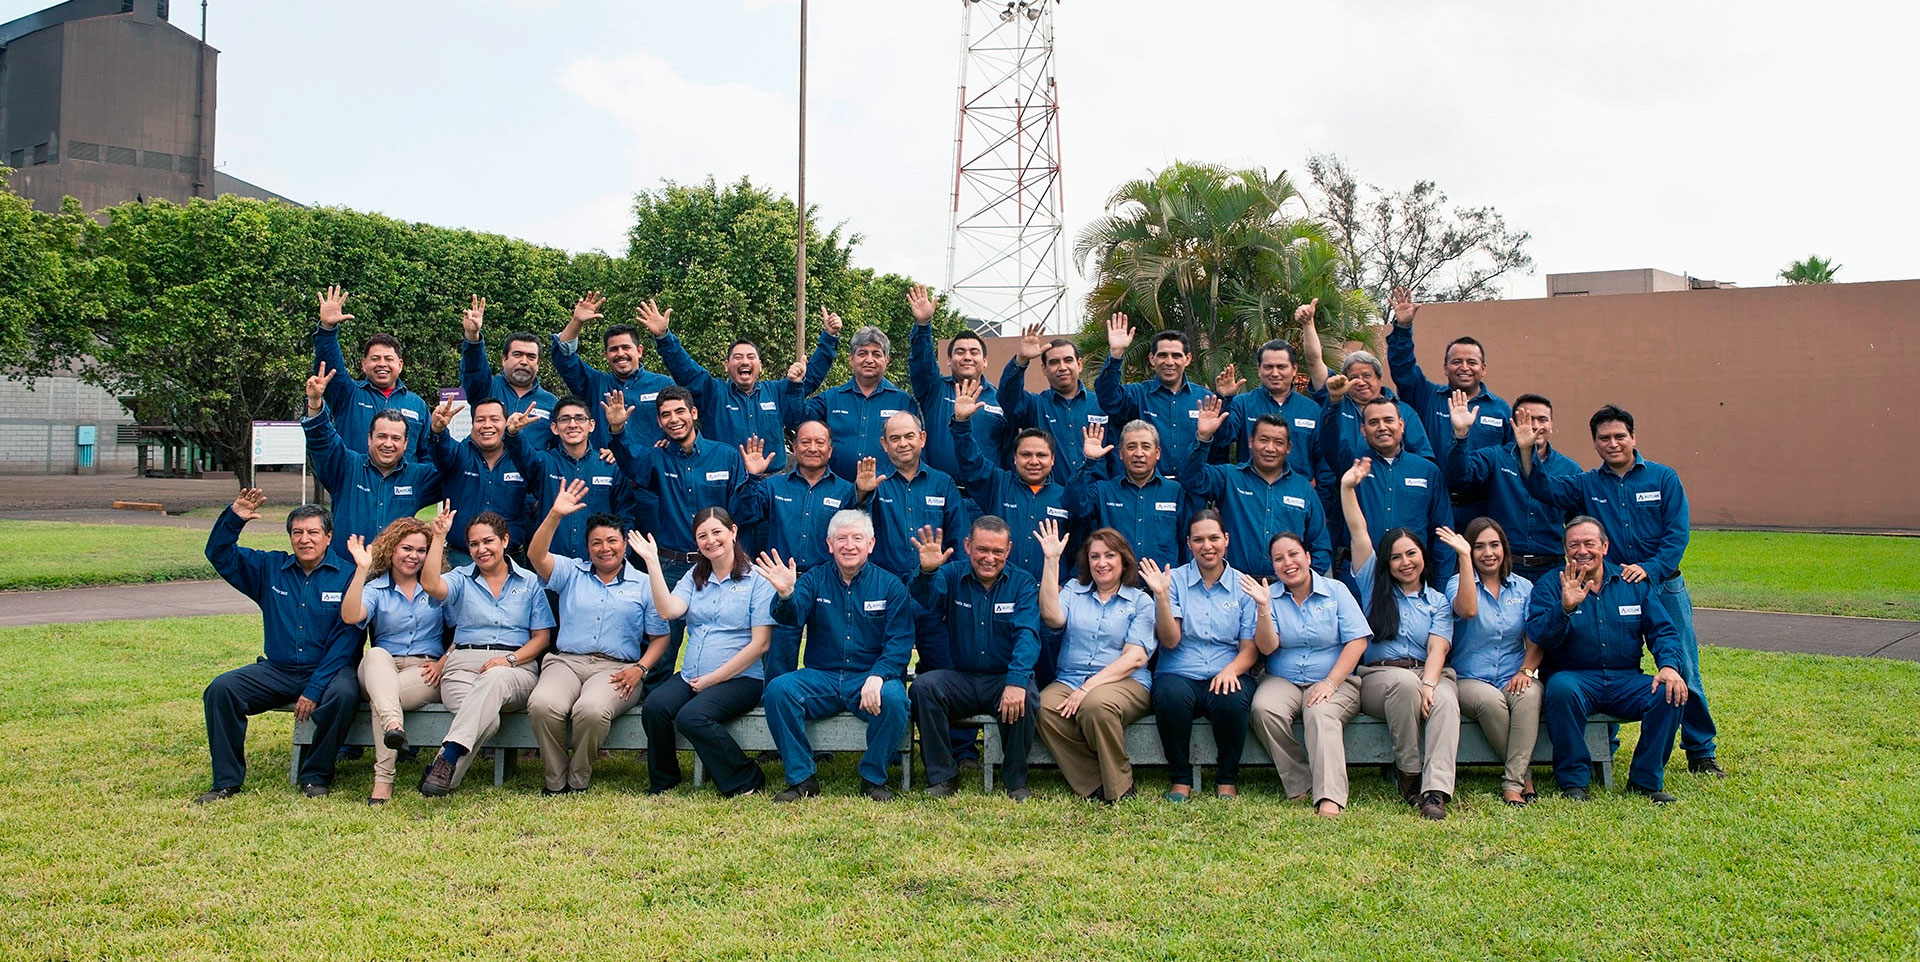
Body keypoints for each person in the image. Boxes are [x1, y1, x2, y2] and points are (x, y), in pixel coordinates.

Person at [1520, 404, 1725, 777]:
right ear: (1595, 444)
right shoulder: (1587, 484)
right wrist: (1528, 450)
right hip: (1608, 585)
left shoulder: (1663, 478)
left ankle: (1700, 750)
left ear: (1633, 437)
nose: (1613, 443)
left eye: (1619, 436)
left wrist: (1649, 569)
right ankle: (1607, 748)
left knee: (1681, 670)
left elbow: (1676, 535)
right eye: (1604, 438)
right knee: (1608, 660)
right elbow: (1543, 487)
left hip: (1660, 585)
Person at [196, 490, 361, 803]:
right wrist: (234, 518)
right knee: (221, 690)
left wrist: (314, 689)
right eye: (297, 533)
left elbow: (347, 640)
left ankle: (315, 776)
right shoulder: (268, 569)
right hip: (278, 669)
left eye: (313, 532)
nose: (305, 539)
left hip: (328, 671)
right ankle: (226, 782)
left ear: (328, 537)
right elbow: (218, 553)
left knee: (345, 694)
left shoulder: (348, 577)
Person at [753, 510, 916, 802]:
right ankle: (802, 779)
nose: (849, 545)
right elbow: (791, 617)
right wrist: (787, 594)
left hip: (868, 675)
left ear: (871, 544)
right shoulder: (814, 580)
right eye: (841, 538)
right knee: (779, 690)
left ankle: (872, 778)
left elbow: (900, 643)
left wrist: (879, 675)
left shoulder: (891, 586)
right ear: (829, 544)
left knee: (894, 699)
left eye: (857, 538)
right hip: (822, 677)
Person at [1525, 517, 1690, 804]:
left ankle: (1645, 780)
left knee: (1669, 692)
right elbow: (1538, 634)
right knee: (1561, 689)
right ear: (1565, 550)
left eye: (1589, 543)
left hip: (1624, 678)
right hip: (1574, 677)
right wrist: (1564, 608)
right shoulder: (1550, 585)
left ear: (1605, 546)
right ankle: (1574, 782)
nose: (1582, 550)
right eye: (1574, 544)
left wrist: (1668, 666)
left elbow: (1663, 630)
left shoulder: (1631, 583)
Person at [523, 481, 670, 795]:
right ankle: (555, 778)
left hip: (617, 669)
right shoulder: (571, 572)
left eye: (612, 541)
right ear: (587, 548)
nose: (605, 548)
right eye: (597, 543)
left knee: (591, 711)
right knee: (542, 704)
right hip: (566, 663)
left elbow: (660, 638)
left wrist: (640, 669)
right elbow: (536, 555)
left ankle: (577, 778)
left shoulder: (644, 584)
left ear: (625, 545)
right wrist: (554, 515)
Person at [1340, 459, 1461, 820]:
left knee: (1445, 701)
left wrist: (1429, 682)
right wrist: (1349, 488)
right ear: (1386, 563)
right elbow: (1358, 531)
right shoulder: (1372, 587)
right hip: (1379, 678)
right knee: (1406, 687)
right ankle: (1409, 775)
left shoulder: (1437, 600)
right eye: (1396, 557)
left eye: (1412, 553)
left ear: (1423, 556)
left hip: (1426, 673)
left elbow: (1439, 646)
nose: (1405, 562)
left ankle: (1435, 790)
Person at [607, 385, 749, 691]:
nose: (673, 419)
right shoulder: (656, 458)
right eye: (665, 415)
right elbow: (631, 463)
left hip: (717, 566)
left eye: (680, 411)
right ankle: (652, 711)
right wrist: (618, 430)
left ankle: (718, 704)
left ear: (693, 413)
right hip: (671, 565)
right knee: (663, 643)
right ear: (658, 422)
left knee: (725, 638)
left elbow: (742, 509)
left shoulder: (725, 456)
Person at [632, 508, 776, 797]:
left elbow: (761, 644)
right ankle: (664, 780)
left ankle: (746, 778)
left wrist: (713, 679)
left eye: (716, 532)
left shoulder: (758, 580)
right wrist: (652, 562)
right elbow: (668, 610)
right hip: (692, 676)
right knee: (655, 706)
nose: (710, 541)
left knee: (691, 717)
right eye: (702, 536)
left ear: (733, 531)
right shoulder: (694, 576)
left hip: (740, 680)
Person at [416, 507, 556, 796]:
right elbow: (430, 584)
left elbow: (542, 637)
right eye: (474, 544)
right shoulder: (460, 578)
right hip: (462, 666)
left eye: (488, 541)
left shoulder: (529, 582)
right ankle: (444, 777)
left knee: (494, 680)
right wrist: (439, 536)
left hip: (515, 667)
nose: (481, 549)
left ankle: (447, 757)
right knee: (487, 718)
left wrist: (509, 659)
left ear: (504, 541)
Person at [907, 516, 1043, 800]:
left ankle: (1015, 781)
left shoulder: (1023, 583)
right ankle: (943, 776)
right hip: (962, 677)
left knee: (1027, 695)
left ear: (1008, 550)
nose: (989, 558)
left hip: (1002, 678)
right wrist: (928, 572)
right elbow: (926, 598)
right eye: (982, 549)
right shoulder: (952, 574)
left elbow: (1027, 634)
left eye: (997, 551)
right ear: (968, 546)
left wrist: (1016, 681)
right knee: (923, 687)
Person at [1139, 512, 1271, 802]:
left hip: (1228, 668)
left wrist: (1231, 671)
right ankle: (1180, 778)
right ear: (1188, 543)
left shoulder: (1244, 585)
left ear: (1226, 540)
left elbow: (1250, 648)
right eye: (1198, 539)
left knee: (1232, 698)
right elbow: (1170, 641)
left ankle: (1227, 779)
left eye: (1214, 538)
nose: (1207, 546)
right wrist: (1160, 596)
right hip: (1179, 670)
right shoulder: (1173, 581)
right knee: (1170, 695)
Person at [635, 298, 839, 474]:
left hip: (771, 482)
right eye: (737, 357)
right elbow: (686, 370)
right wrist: (664, 337)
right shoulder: (713, 393)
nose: (744, 362)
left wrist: (829, 338)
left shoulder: (777, 391)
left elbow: (810, 377)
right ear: (726, 366)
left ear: (760, 365)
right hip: (726, 482)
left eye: (751, 357)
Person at [1248, 531, 1372, 818]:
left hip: (1335, 679)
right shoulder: (1271, 596)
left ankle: (1329, 796)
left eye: (1293, 555)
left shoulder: (1336, 590)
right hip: (1284, 679)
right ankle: (1299, 781)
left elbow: (1358, 641)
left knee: (1320, 712)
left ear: (1307, 557)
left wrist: (1330, 682)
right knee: (1263, 708)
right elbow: (1268, 647)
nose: (1287, 563)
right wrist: (1263, 607)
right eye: (1279, 559)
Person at [1035, 521, 1156, 804]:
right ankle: (1093, 782)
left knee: (1096, 706)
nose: (1102, 563)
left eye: (1109, 555)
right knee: (1042, 706)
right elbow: (1052, 618)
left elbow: (1135, 657)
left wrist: (1088, 688)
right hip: (1070, 680)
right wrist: (1051, 560)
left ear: (1124, 560)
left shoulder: (1140, 601)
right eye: (1095, 556)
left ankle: (1120, 788)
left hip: (1125, 682)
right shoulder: (1073, 591)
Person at [731, 421, 858, 678]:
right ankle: (774, 705)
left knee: (829, 656)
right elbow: (743, 514)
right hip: (781, 584)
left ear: (830, 450)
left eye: (819, 442)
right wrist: (753, 476)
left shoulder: (846, 491)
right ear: (795, 447)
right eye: (805, 442)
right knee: (779, 659)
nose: (813, 448)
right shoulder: (774, 486)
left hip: (827, 582)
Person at [1383, 287, 1513, 526]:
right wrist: (1402, 329)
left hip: (1484, 510)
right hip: (1433, 504)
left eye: (1471, 362)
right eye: (1456, 362)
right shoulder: (1427, 396)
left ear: (1483, 369)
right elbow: (1403, 368)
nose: (1464, 367)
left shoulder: (1501, 410)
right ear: (1445, 368)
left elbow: (1511, 462)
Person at [339, 518, 445, 805]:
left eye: (422, 550)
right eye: (406, 548)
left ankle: (383, 780)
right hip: (381, 667)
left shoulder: (437, 588)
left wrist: (444, 661)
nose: (414, 556)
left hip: (425, 671)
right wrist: (362, 570)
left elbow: (465, 628)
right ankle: (394, 725)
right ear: (391, 549)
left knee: (382, 698)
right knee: (375, 654)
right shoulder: (376, 588)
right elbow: (350, 616)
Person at [1445, 517, 1545, 807]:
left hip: (1514, 674)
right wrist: (1464, 558)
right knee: (1491, 701)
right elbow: (1468, 610)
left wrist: (1526, 670)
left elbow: (1536, 638)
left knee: (1529, 695)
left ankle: (1512, 783)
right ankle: (1523, 778)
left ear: (1505, 548)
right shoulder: (1457, 583)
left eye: (1494, 545)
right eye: (1478, 547)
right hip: (1469, 678)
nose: (1488, 553)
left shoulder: (1524, 588)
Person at [854, 411, 964, 671]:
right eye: (895, 438)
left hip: (935, 599)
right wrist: (861, 494)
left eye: (909, 436)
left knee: (941, 678)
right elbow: (855, 534)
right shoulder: (872, 483)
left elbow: (959, 542)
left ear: (922, 439)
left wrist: (955, 595)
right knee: (885, 677)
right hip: (885, 598)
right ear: (884, 444)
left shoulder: (943, 483)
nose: (903, 443)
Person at [303, 362, 443, 562]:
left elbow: (455, 467)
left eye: (396, 439)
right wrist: (315, 403)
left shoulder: (417, 476)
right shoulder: (347, 467)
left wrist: (439, 434)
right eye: (381, 436)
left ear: (405, 444)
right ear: (369, 439)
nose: (388, 444)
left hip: (395, 578)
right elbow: (324, 441)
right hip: (346, 574)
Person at [1183, 396, 1331, 574]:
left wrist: (1305, 585)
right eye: (1263, 440)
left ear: (1288, 448)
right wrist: (1204, 437)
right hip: (1237, 588)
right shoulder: (1230, 477)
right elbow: (1191, 479)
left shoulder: (1304, 489)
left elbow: (1320, 545)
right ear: (1251, 442)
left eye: (1278, 442)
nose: (1270, 448)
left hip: (1287, 591)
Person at [1443, 391, 1579, 584]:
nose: (1535, 425)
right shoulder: (1496, 457)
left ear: (1551, 426)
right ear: (1513, 424)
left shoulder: (1570, 469)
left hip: (1552, 569)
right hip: (1504, 566)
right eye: (1527, 419)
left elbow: (1579, 521)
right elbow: (1459, 478)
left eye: (1542, 420)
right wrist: (1461, 433)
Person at [949, 378, 1067, 579]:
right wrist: (961, 424)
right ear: (1014, 458)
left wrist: (1064, 583)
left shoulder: (1066, 497)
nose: (1033, 461)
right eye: (1026, 455)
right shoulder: (997, 484)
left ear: (1053, 459)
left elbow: (1079, 545)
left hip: (1049, 591)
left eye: (1041, 455)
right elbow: (972, 462)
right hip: (1000, 589)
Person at [1321, 399, 1452, 576]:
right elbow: (1329, 441)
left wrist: (1440, 584)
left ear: (1401, 425)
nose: (1382, 427)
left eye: (1388, 420)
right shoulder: (1352, 464)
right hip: (1360, 573)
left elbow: (1442, 534)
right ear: (1363, 430)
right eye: (1373, 422)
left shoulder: (1428, 471)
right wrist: (1334, 404)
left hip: (1411, 574)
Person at [909, 286, 1009, 506]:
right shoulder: (934, 389)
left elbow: (1009, 451)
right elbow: (921, 364)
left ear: (985, 361)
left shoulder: (1001, 401)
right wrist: (923, 326)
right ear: (948, 360)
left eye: (974, 352)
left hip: (983, 502)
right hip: (935, 497)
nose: (967, 357)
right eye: (960, 352)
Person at [312, 285, 432, 461]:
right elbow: (331, 369)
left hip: (402, 487)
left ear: (400, 364)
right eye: (375, 358)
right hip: (355, 483)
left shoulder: (417, 404)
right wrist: (327, 330)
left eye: (389, 359)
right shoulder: (349, 395)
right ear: (364, 364)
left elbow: (427, 454)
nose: (382, 364)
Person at [550, 291, 677, 456]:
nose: (620, 353)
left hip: (652, 474)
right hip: (606, 474)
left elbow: (680, 423)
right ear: (606, 356)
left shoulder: (663, 384)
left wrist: (671, 441)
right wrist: (577, 322)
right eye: (613, 349)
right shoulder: (595, 384)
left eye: (626, 347)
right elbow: (564, 358)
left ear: (639, 351)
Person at [785, 324, 917, 481]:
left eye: (876, 354)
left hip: (887, 493)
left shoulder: (902, 401)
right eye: (862, 353)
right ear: (851, 360)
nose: (869, 360)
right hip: (837, 492)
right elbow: (796, 419)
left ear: (887, 360)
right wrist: (796, 385)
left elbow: (917, 449)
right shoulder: (831, 398)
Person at [505, 396, 627, 561]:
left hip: (598, 564)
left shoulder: (609, 465)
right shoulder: (544, 463)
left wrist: (622, 553)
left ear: (591, 425)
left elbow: (625, 513)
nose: (572, 424)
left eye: (579, 418)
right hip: (552, 565)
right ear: (554, 428)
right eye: (564, 419)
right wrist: (513, 433)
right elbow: (522, 454)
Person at [1094, 315, 1214, 481]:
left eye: (1176, 355)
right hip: (1146, 489)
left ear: (1187, 359)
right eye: (1163, 355)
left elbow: (1217, 449)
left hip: (1191, 490)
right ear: (1152, 359)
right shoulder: (1138, 394)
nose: (1169, 362)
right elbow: (1108, 399)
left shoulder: (1205, 399)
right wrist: (1116, 355)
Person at [1308, 347, 1436, 502]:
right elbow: (1329, 443)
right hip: (1345, 494)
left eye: (1367, 375)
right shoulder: (1337, 407)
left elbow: (1423, 458)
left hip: (1396, 493)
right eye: (1354, 377)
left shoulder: (1404, 411)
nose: (1361, 382)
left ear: (1378, 377)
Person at [1212, 308, 1323, 478]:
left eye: (1281, 367)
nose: (1275, 373)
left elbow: (1323, 461)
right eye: (1268, 367)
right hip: (1249, 491)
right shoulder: (1243, 404)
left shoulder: (1312, 409)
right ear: (1259, 369)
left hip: (1297, 495)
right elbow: (1222, 439)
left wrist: (1318, 498)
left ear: (1294, 370)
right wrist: (1225, 399)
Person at [998, 322, 1111, 484]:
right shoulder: (1035, 405)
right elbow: (1007, 398)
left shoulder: (1102, 405)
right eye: (1054, 362)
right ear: (1043, 369)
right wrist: (1021, 361)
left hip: (1095, 497)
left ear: (1079, 364)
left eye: (1068, 360)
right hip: (1050, 498)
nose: (1062, 367)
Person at [1068, 421, 1187, 569]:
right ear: (1121, 454)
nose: (1138, 453)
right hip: (1116, 587)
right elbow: (1072, 504)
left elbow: (1186, 541)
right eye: (1131, 447)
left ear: (1157, 453)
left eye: (1146, 446)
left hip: (1163, 587)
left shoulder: (1176, 492)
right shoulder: (1103, 491)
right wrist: (1088, 462)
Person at [427, 397, 531, 566]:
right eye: (480, 420)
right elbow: (441, 449)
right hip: (462, 558)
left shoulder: (520, 458)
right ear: (472, 424)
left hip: (511, 559)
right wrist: (438, 430)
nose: (487, 425)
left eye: (495, 419)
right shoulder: (458, 455)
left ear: (506, 423)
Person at [459, 294, 557, 422]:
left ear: (538, 364)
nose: (524, 362)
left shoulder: (551, 403)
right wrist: (472, 336)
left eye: (531, 357)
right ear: (504, 359)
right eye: (517, 355)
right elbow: (474, 368)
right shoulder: (487, 389)